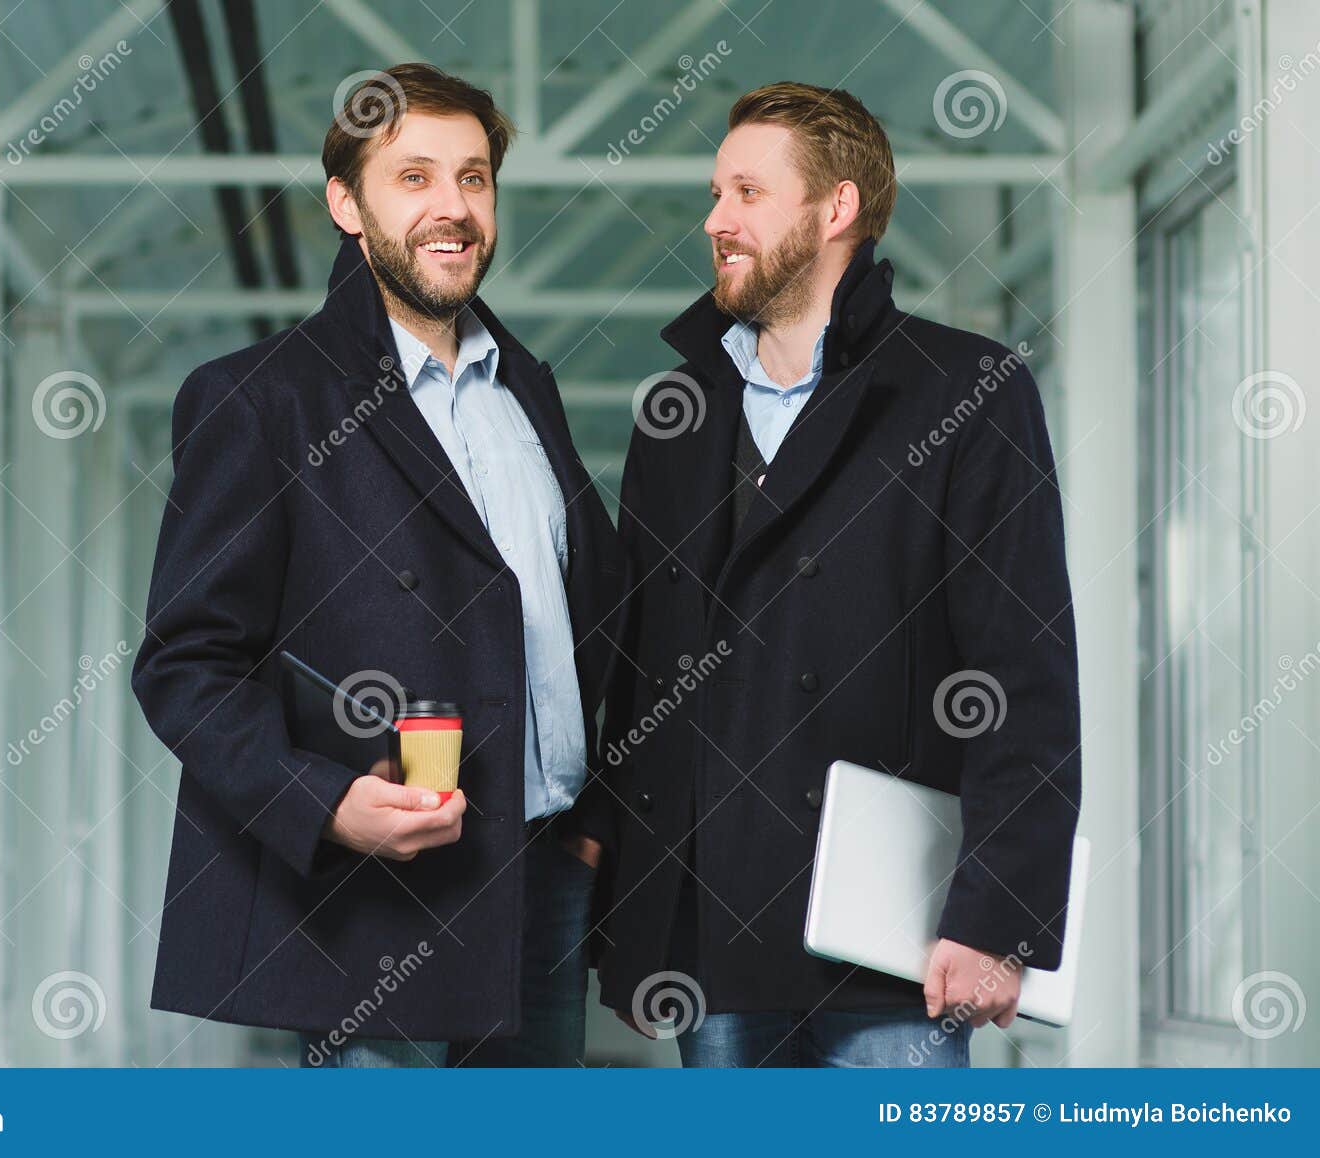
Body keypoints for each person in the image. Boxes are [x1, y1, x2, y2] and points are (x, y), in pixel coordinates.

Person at [131, 63, 624, 1067]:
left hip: (545, 878)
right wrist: (322, 805)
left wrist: (594, 808)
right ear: (346, 204)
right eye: (415, 178)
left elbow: (579, 625)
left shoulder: (527, 390)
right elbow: (186, 665)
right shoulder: (264, 401)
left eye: (475, 178)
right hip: (380, 899)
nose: (453, 207)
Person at [589, 81, 1081, 1067]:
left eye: (745, 193)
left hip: (893, 943)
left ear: (837, 208)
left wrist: (997, 917)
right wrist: (640, 929)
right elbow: (643, 683)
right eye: (715, 195)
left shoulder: (964, 391)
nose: (714, 220)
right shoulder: (675, 416)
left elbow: (1023, 676)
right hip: (718, 948)